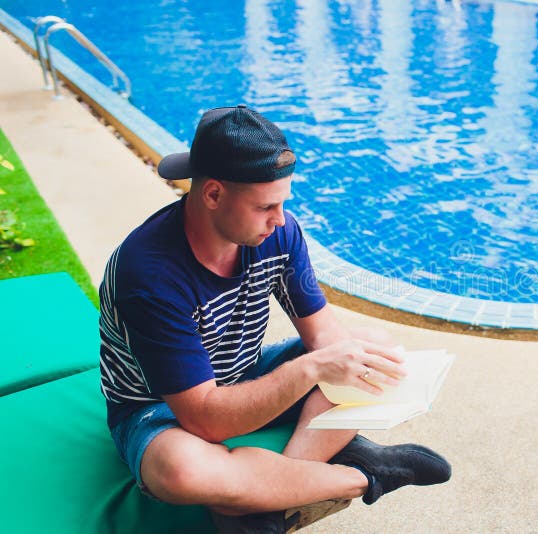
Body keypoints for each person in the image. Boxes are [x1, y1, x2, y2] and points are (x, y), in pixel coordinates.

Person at [99, 105, 451, 533]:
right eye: (265, 206)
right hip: (159, 410)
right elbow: (204, 418)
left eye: (283, 202)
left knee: (373, 349)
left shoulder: (278, 233)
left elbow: (323, 333)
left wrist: (340, 364)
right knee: (181, 472)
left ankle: (260, 500)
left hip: (244, 372)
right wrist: (311, 369)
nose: (280, 219)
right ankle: (367, 473)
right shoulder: (149, 276)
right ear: (212, 195)